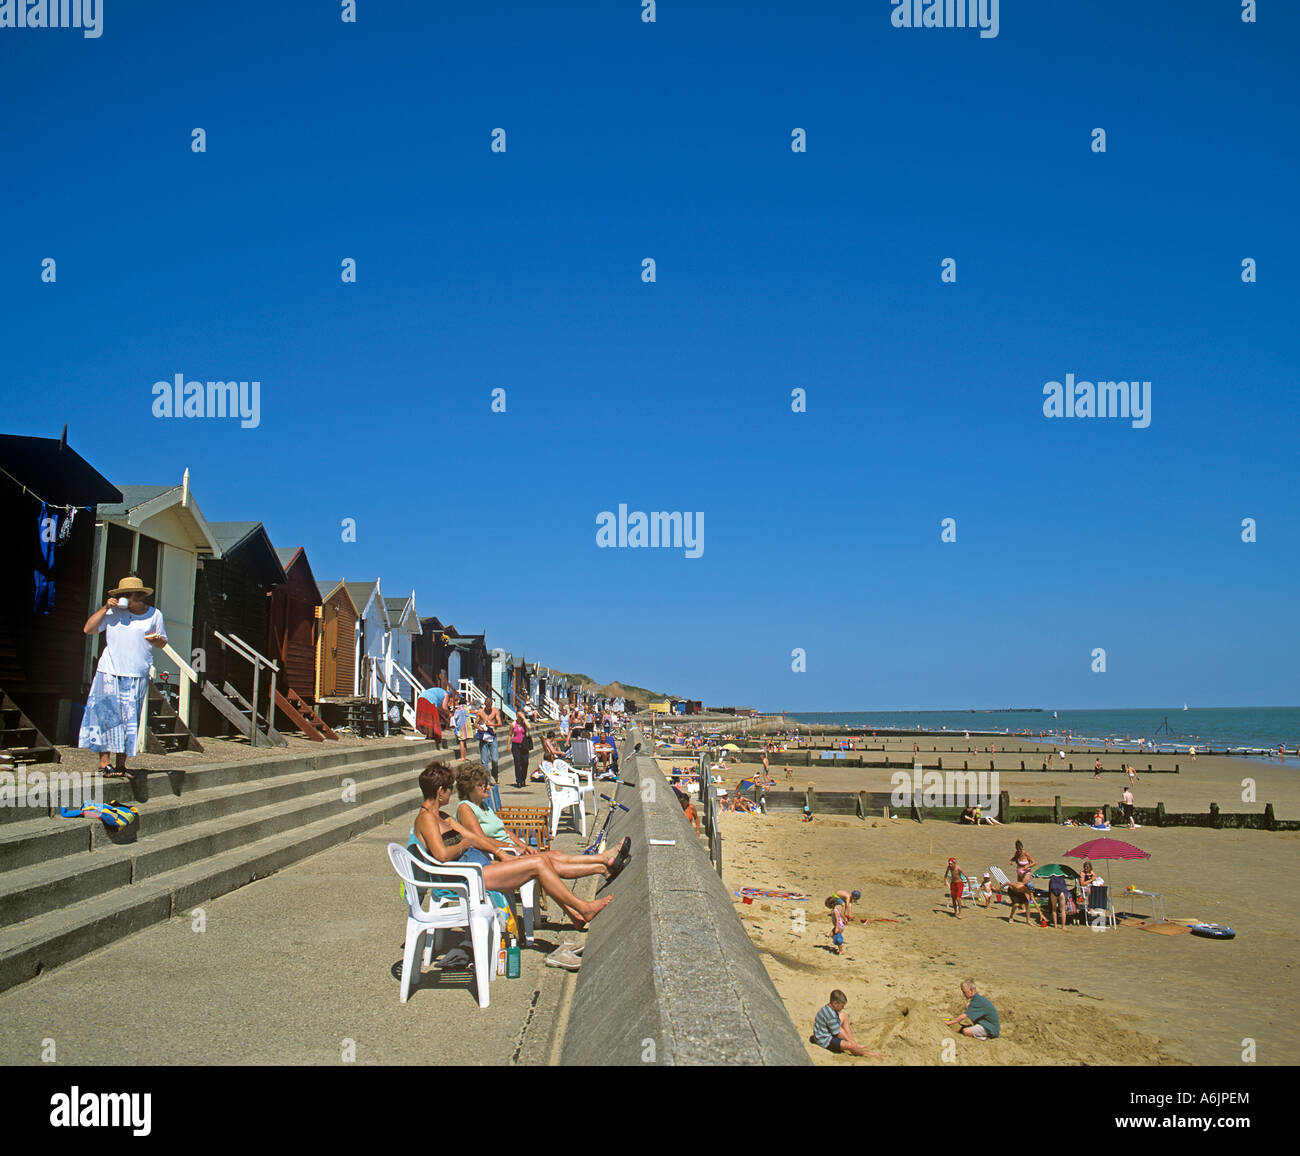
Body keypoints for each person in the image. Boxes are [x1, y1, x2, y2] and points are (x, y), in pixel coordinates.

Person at [409, 762, 615, 930]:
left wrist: (499, 852)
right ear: (439, 791)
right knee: (538, 863)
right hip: (468, 876)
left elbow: (475, 838)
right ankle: (582, 907)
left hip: (478, 867)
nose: (450, 794)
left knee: (540, 862)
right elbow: (443, 855)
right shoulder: (427, 819)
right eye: (448, 789)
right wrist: (465, 844)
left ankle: (576, 913)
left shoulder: (442, 816)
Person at [453, 762, 628, 880]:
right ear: (469, 787)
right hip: (502, 856)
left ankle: (603, 863)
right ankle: (603, 862)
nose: (487, 787)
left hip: (512, 849)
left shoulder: (484, 805)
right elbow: (480, 841)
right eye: (482, 785)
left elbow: (504, 830)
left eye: (486, 783)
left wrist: (521, 843)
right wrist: (515, 848)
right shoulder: (465, 808)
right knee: (552, 861)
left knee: (557, 856)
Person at [80, 577, 168, 797]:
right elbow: (88, 629)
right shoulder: (112, 613)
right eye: (122, 595)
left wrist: (156, 639)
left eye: (128, 595)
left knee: (129, 720)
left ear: (138, 597)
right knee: (106, 718)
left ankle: (121, 765)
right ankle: (104, 763)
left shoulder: (154, 615)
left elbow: (162, 642)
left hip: (136, 673)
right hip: (109, 670)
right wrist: (104, 608)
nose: (124, 599)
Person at [812, 990, 880, 1057]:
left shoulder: (828, 1008)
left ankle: (853, 1042)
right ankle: (866, 1053)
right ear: (835, 1003)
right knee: (851, 1046)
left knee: (843, 1015)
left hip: (827, 1030)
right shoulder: (830, 1015)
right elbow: (838, 1032)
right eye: (841, 1006)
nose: (842, 1008)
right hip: (825, 1040)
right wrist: (851, 1043)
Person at [475, 698, 503, 782]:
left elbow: (500, 723)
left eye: (489, 706)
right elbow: (475, 724)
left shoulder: (495, 711)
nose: (488, 708)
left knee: (495, 759)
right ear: (484, 705)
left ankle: (495, 774)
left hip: (492, 736)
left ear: (491, 705)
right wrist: (480, 727)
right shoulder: (480, 711)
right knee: (484, 761)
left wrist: (492, 724)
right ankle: (488, 779)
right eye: (487, 706)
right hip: (483, 737)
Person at [509, 711, 530, 788]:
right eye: (519, 715)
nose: (520, 717)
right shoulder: (513, 724)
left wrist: (524, 718)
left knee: (525, 762)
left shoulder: (525, 723)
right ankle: (518, 780)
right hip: (516, 744)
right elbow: (510, 735)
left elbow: (529, 727)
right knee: (517, 762)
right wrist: (508, 745)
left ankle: (523, 778)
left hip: (524, 744)